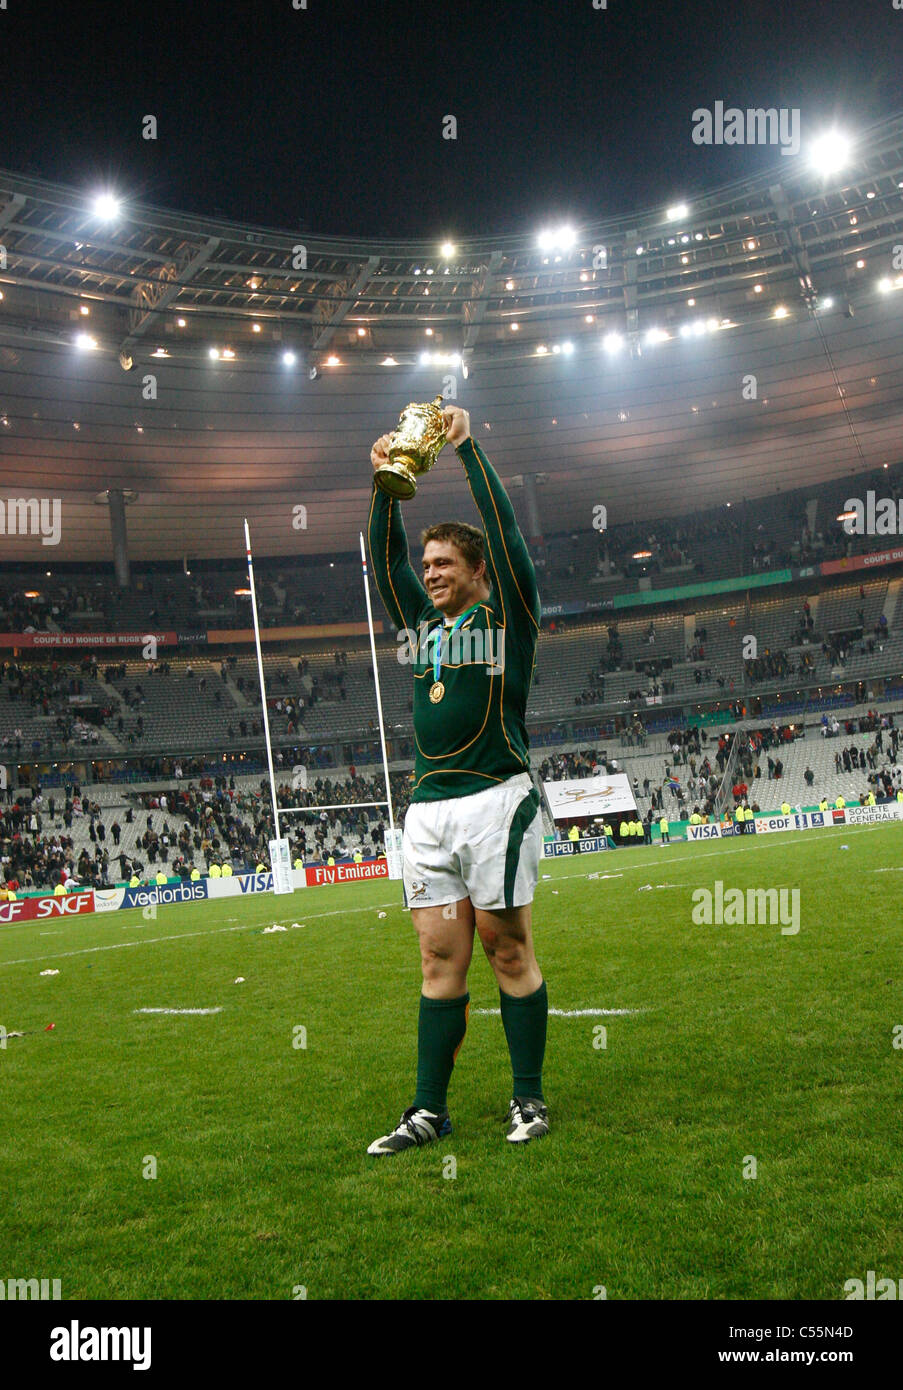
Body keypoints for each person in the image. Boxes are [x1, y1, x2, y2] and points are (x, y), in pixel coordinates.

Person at [365, 403, 547, 1155]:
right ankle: (426, 1111)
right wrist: (385, 483)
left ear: (475, 573)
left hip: (497, 800)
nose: (431, 574)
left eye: (446, 564)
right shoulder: (419, 631)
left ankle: (528, 1100)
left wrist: (469, 451)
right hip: (428, 810)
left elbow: (505, 540)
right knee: (438, 959)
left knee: (507, 949)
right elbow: (385, 562)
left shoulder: (507, 619)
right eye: (428, 564)